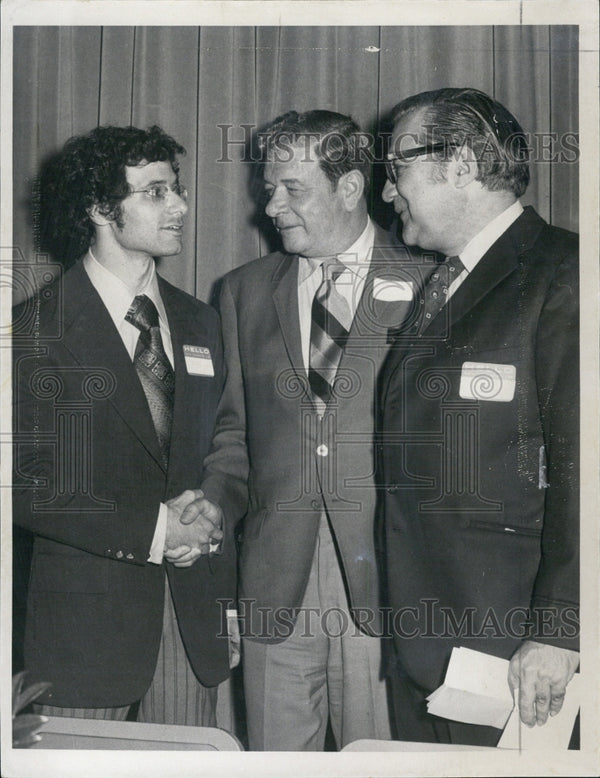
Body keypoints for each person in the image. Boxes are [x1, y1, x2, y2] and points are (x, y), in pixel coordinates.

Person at [170, 109, 429, 750]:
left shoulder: (432, 281)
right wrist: (210, 505)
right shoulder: (241, 292)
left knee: (384, 761)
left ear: (348, 188)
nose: (273, 205)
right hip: (273, 581)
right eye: (268, 188)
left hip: (388, 582)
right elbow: (234, 439)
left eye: (292, 187)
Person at [12, 125, 237, 725]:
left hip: (191, 624)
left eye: (178, 189)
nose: (181, 206)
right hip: (81, 638)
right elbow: (23, 483)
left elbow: (227, 445)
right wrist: (156, 531)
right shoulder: (33, 330)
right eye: (156, 192)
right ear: (100, 209)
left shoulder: (201, 323)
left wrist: (213, 513)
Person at [378, 88, 579, 746]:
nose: (387, 194)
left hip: (516, 657)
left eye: (397, 169)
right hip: (429, 651)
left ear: (459, 164)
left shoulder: (564, 273)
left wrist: (560, 631)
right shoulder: (447, 283)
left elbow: (588, 471)